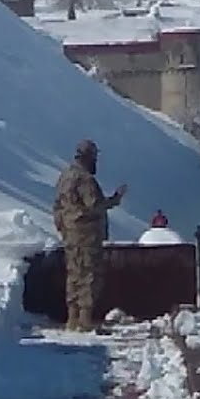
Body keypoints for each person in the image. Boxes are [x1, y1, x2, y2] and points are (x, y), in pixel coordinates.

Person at [52, 138, 127, 332]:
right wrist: (115, 199)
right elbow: (94, 205)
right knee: (88, 275)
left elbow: (57, 207)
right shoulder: (85, 179)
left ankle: (72, 318)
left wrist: (64, 227)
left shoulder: (65, 177)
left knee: (74, 274)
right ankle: (84, 320)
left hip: (71, 235)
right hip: (87, 235)